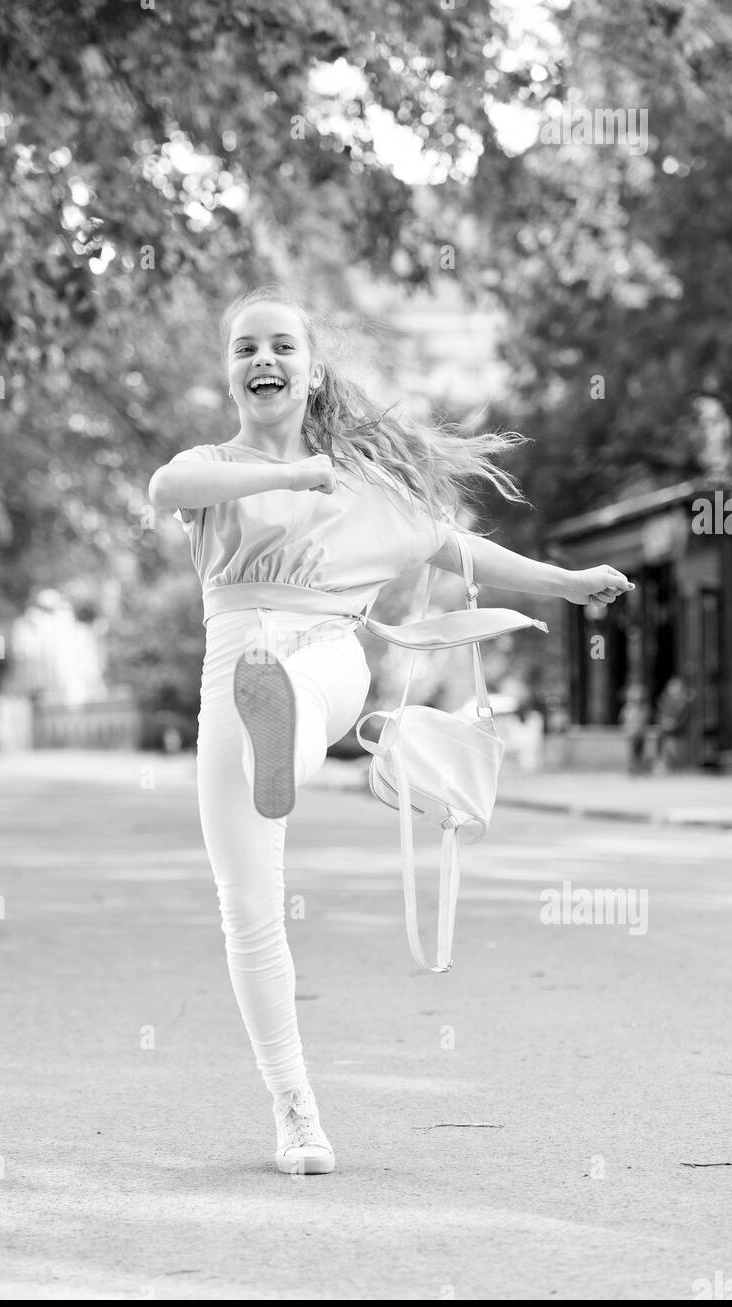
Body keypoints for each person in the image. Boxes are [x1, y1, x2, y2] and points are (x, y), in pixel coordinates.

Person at [149, 284, 634, 1177]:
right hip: (235, 667)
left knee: (306, 684)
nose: (264, 360)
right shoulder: (215, 466)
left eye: (282, 347)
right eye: (246, 348)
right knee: (248, 914)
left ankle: (285, 738)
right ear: (229, 371)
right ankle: (295, 1109)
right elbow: (165, 485)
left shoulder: (368, 488)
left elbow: (459, 551)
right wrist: (287, 475)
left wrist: (564, 584)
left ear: (312, 369)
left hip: (328, 657)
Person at [619, 683, 652, 775]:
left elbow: (645, 720)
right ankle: (632, 769)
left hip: (641, 733)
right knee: (632, 752)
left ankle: (640, 769)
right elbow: (623, 720)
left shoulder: (644, 708)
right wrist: (626, 729)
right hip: (632, 734)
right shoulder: (628, 708)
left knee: (641, 752)